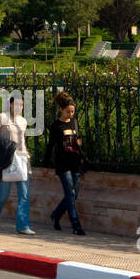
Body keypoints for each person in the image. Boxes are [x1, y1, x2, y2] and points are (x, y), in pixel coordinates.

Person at [0, 96, 35, 235]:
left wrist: (27, 156)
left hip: (21, 159)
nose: (19, 107)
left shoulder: (23, 121)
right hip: (6, 160)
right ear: (10, 105)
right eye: (16, 104)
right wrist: (3, 147)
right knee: (4, 193)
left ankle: (23, 226)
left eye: (21, 105)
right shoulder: (1, 117)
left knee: (24, 194)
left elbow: (22, 140)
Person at [44, 92, 87, 235]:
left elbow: (78, 139)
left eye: (73, 111)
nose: (71, 114)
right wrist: (45, 163)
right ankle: (76, 225)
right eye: (68, 111)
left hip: (76, 162)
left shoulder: (74, 122)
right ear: (61, 110)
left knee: (74, 195)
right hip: (63, 164)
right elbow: (50, 145)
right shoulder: (56, 126)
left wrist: (79, 143)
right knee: (69, 194)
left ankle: (56, 215)